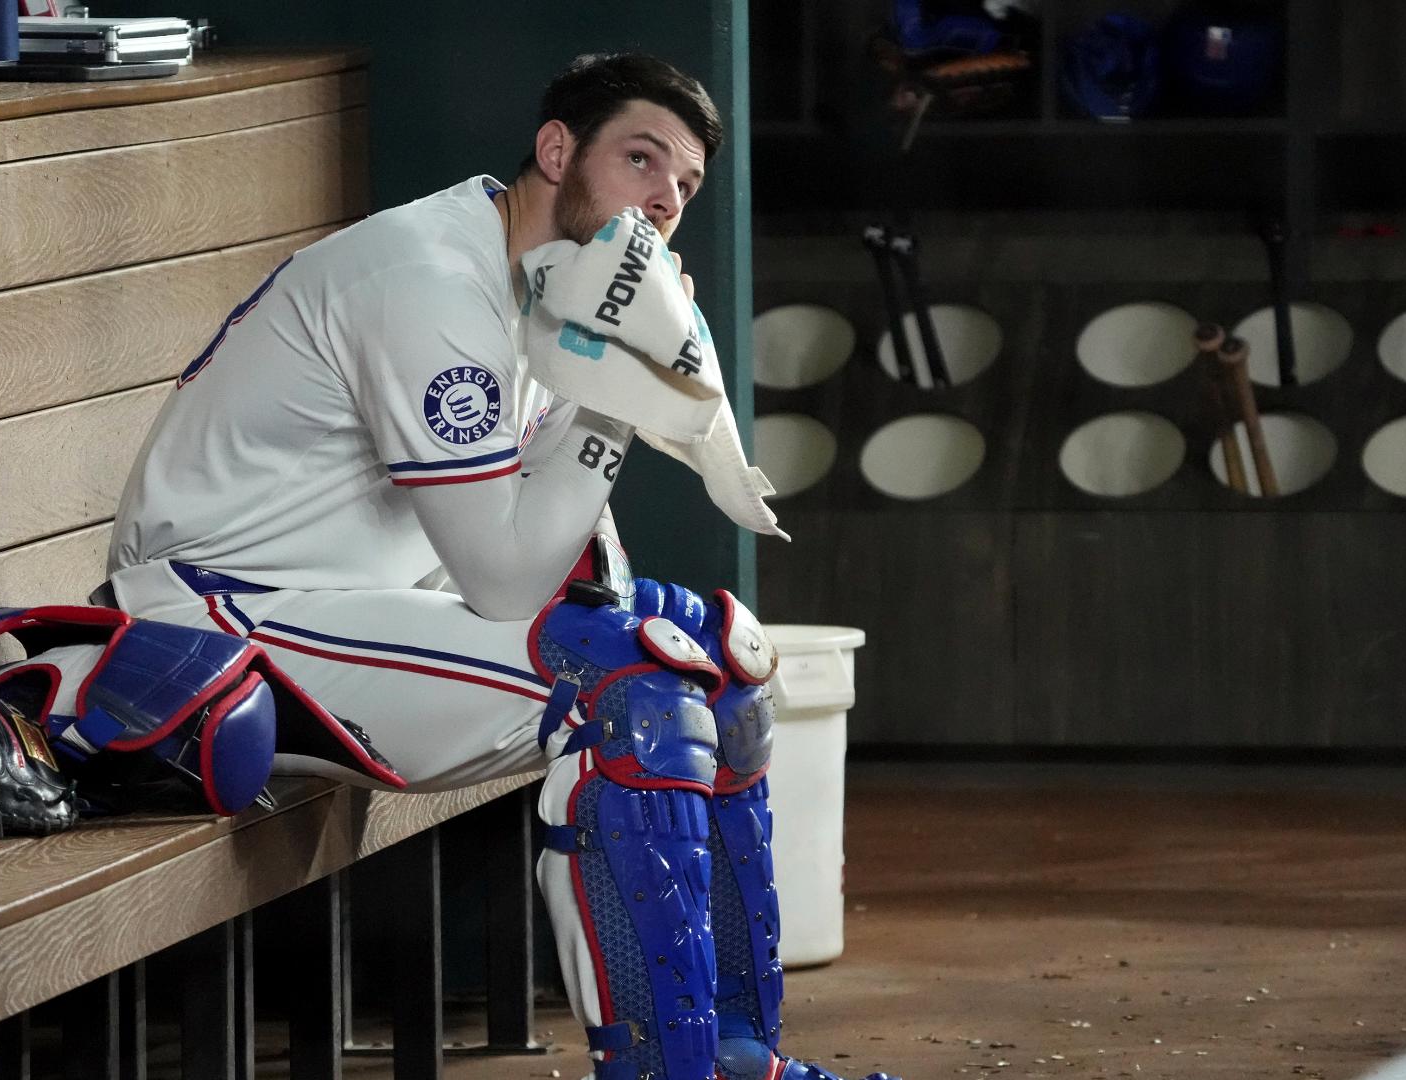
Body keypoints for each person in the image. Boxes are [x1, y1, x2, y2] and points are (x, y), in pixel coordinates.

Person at [97, 52, 903, 1080]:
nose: (660, 202)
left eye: (684, 186)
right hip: (207, 627)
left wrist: (618, 378)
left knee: (720, 665)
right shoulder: (432, 281)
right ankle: (671, 1071)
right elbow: (507, 583)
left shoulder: (554, 284)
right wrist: (626, 387)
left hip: (342, 603)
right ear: (557, 150)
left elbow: (573, 557)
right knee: (626, 695)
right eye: (640, 160)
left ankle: (745, 1056)